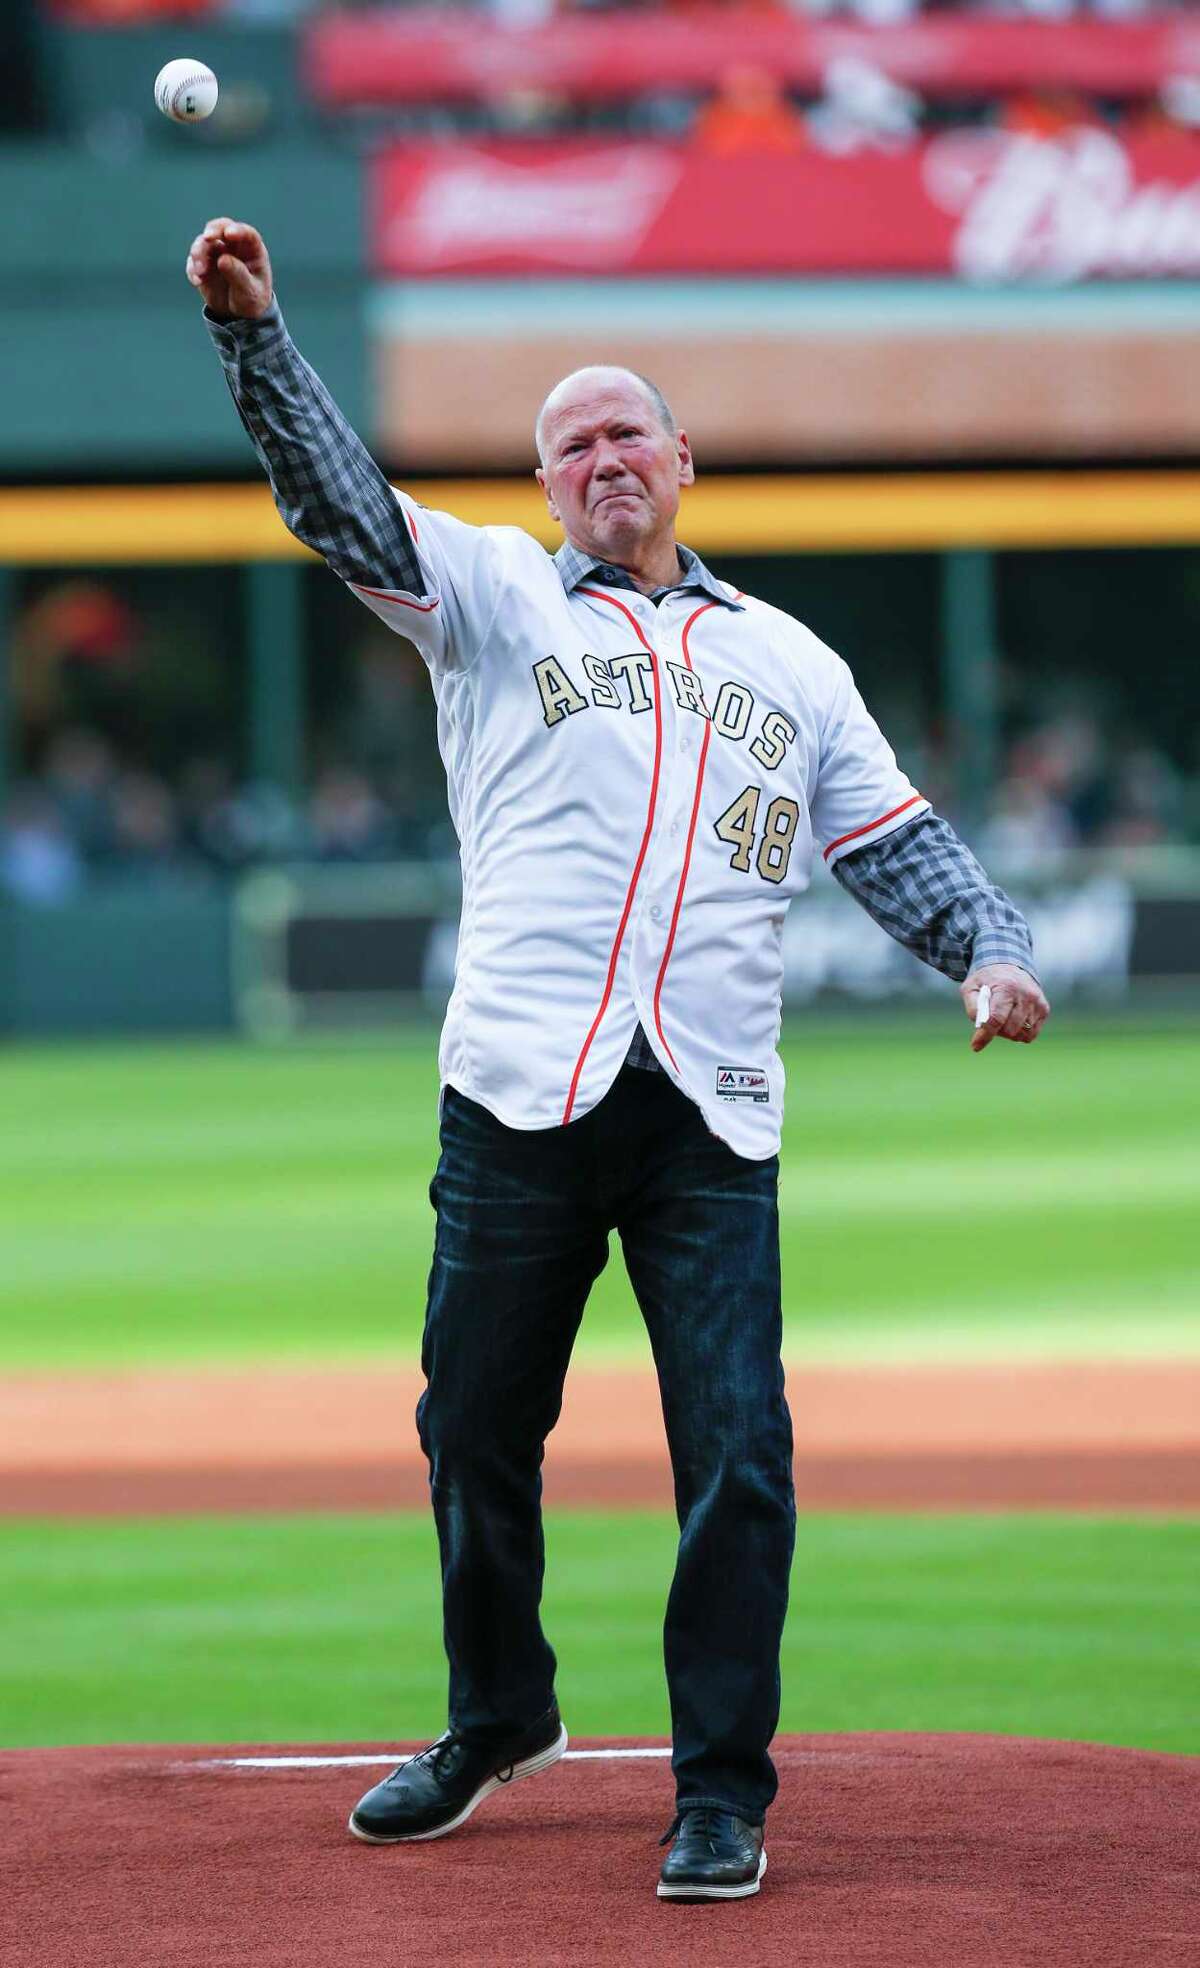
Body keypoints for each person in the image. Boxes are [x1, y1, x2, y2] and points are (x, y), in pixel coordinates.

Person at [187, 215, 1050, 1902]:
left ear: (682, 463)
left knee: (740, 1451)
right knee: (472, 1430)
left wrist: (994, 951)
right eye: (568, 443)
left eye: (624, 432)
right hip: (519, 1091)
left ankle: (721, 1794)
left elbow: (895, 841)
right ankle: (499, 1713)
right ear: (549, 482)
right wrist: (257, 341)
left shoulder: (789, 664)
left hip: (710, 1114)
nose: (599, 460)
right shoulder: (494, 598)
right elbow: (336, 501)